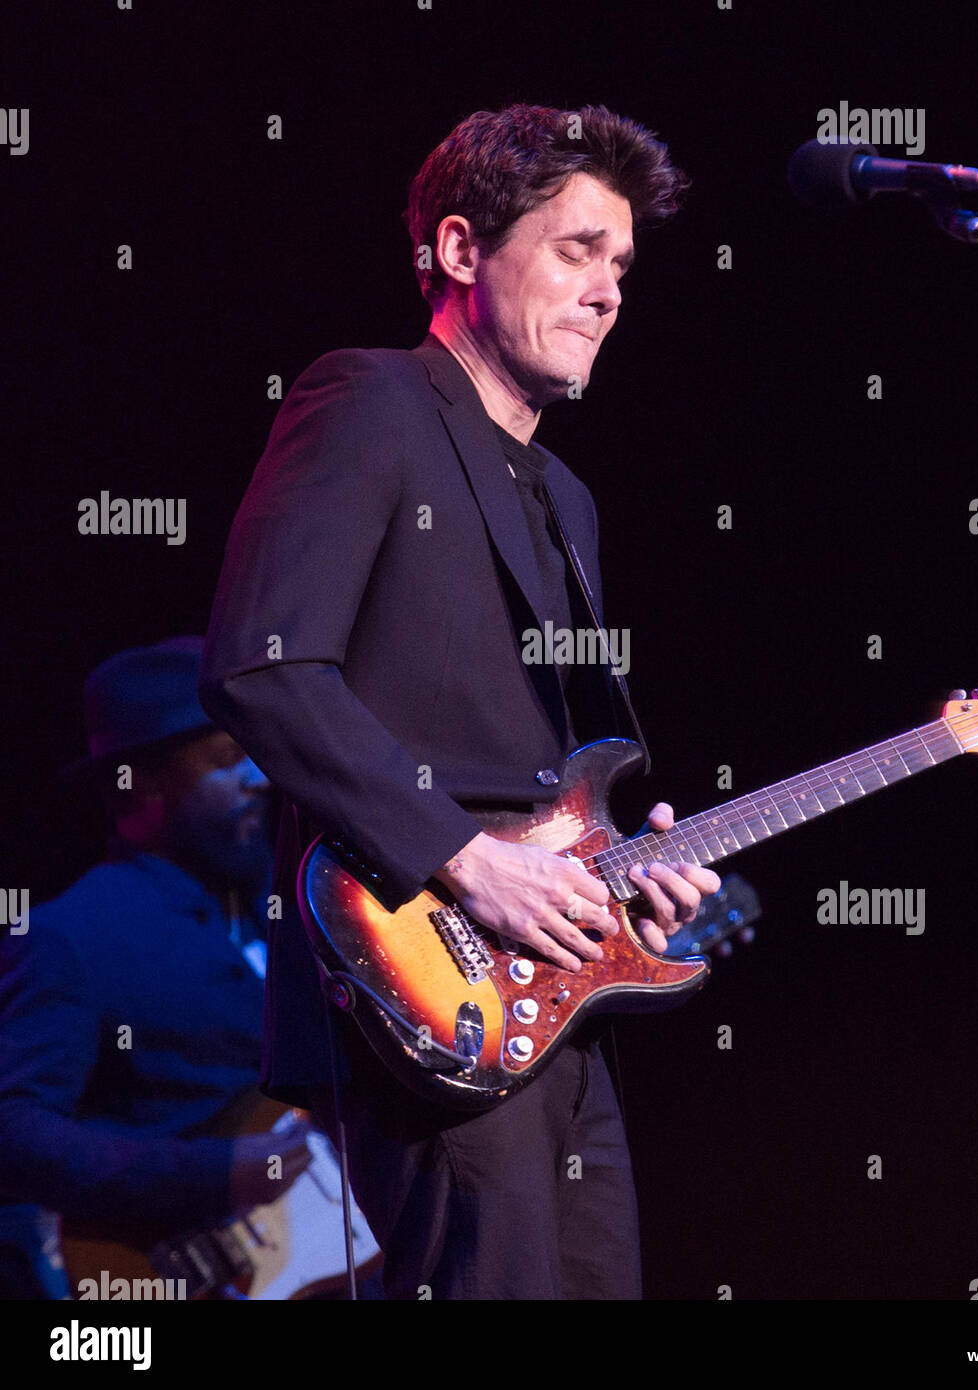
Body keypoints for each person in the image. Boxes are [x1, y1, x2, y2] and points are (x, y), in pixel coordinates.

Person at [198, 103, 720, 1300]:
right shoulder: (372, 401)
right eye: (577, 250)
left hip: (559, 994)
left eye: (623, 265)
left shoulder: (568, 498)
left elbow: (542, 760)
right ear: (458, 250)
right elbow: (260, 664)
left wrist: (628, 862)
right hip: (427, 974)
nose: (608, 291)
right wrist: (463, 858)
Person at [0, 637, 311, 1296]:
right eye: (226, 759)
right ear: (136, 788)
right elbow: (15, 1132)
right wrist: (216, 1169)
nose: (259, 776)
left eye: (254, 751)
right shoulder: (71, 935)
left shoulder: (295, 904)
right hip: (198, 1266)